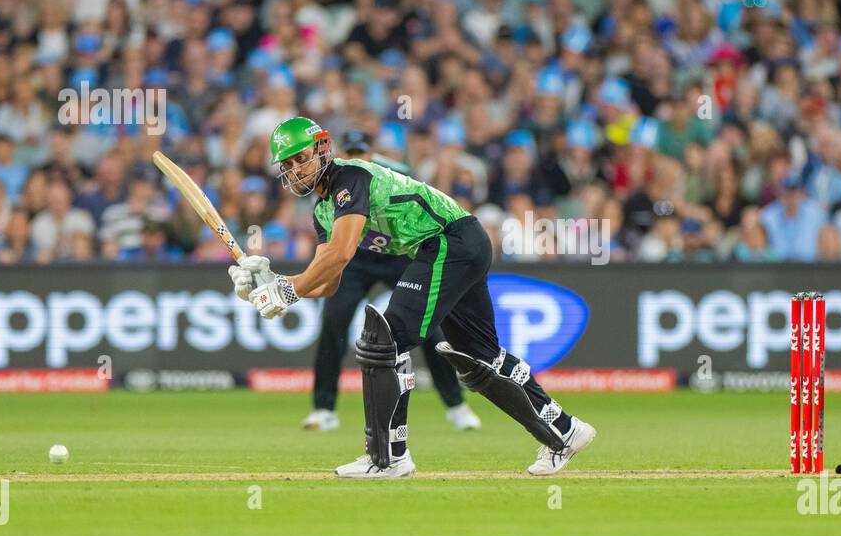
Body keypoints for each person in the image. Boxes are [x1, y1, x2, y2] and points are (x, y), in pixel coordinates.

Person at [229, 116, 596, 478]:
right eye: (288, 164)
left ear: (323, 147)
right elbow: (329, 282)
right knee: (480, 356)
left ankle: (388, 457)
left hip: (449, 241)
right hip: (458, 245)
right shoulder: (324, 210)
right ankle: (564, 430)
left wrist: (286, 290)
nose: (296, 169)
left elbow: (339, 254)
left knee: (387, 338)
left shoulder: (349, 178)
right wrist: (275, 282)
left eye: (301, 157)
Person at [299, 128, 481, 434]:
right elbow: (335, 240)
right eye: (352, 154)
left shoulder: (394, 173)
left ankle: (456, 406)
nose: (357, 159)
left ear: (373, 155)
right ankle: (323, 409)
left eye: (362, 154)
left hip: (398, 256)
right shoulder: (337, 182)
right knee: (333, 323)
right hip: (356, 258)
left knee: (431, 330)